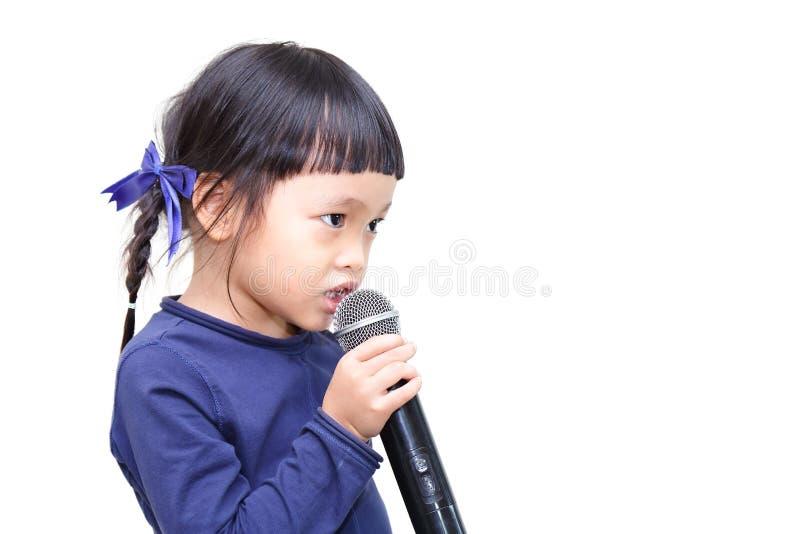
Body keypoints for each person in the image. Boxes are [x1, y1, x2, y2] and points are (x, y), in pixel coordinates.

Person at [103, 41, 422, 533]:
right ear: (219, 206)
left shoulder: (326, 351)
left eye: (373, 225)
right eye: (335, 218)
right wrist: (341, 430)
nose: (356, 258)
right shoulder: (163, 372)